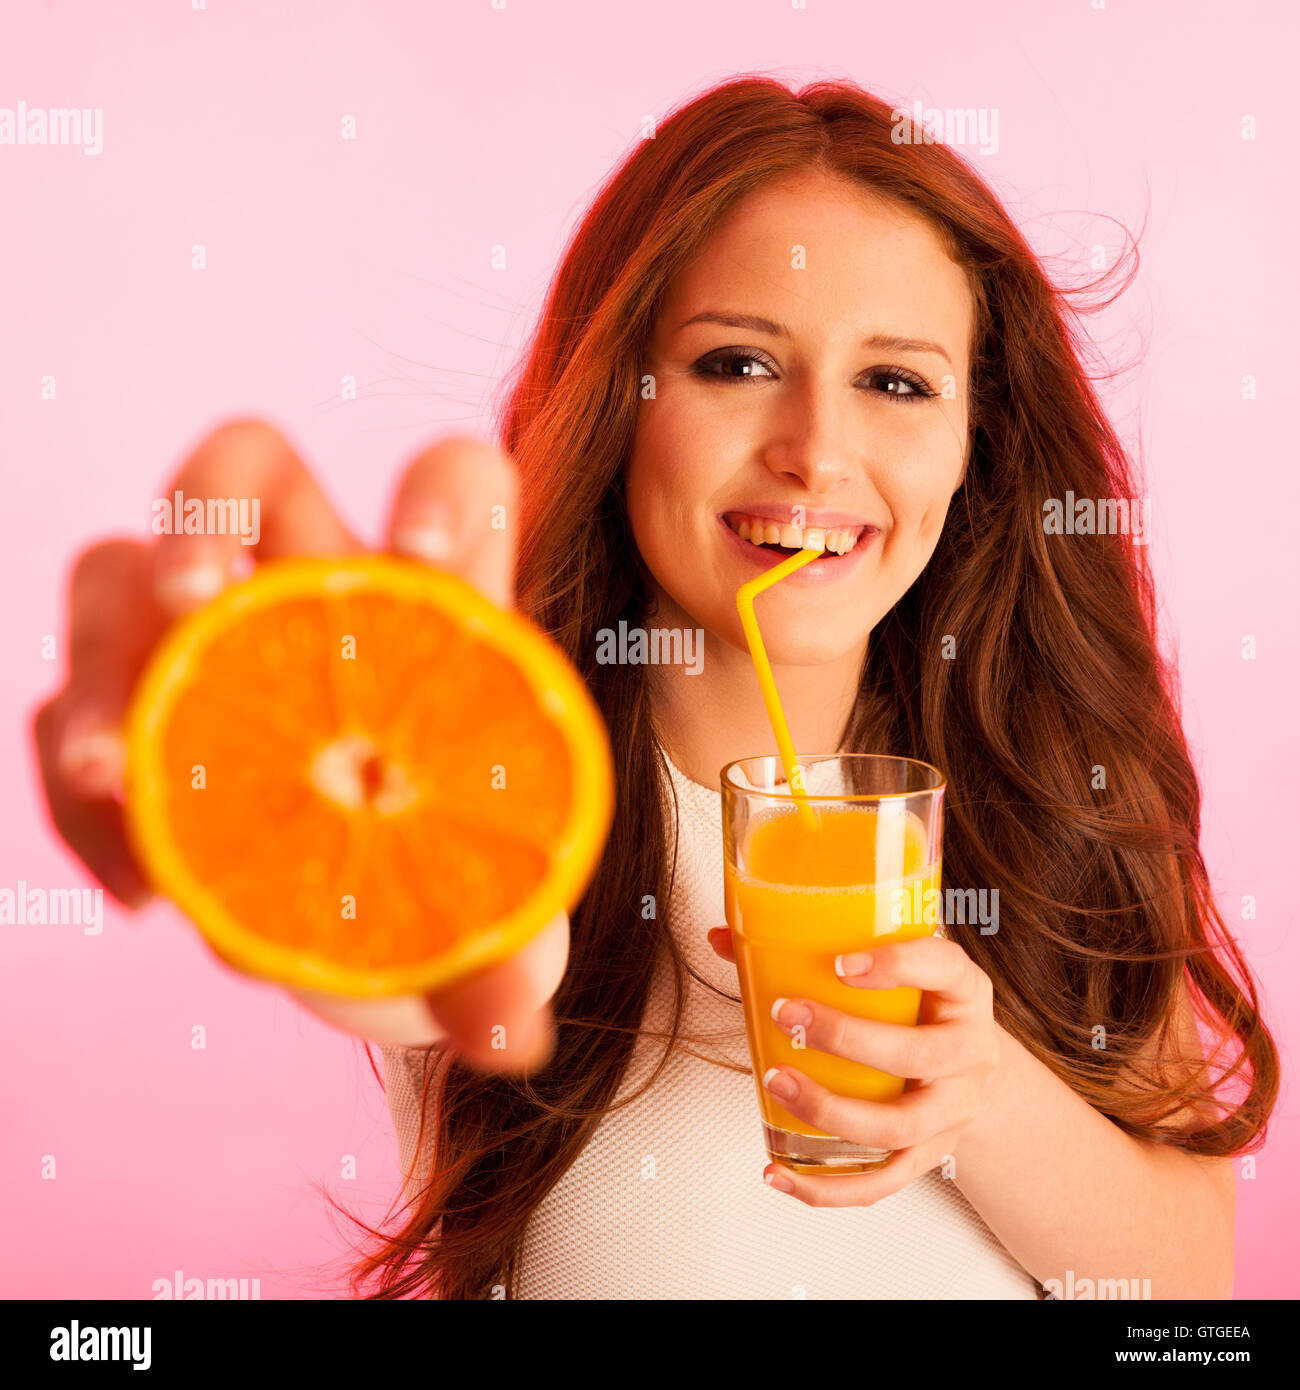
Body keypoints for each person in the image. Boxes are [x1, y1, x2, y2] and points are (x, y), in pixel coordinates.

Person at [35, 76, 1277, 1301]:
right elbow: (437, 957)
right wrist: (261, 743)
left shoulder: (1052, 790)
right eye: (735, 362)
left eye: (894, 382)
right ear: (622, 401)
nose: (816, 450)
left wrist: (983, 1092)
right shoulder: (496, 775)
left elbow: (1185, 1276)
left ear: (976, 445)